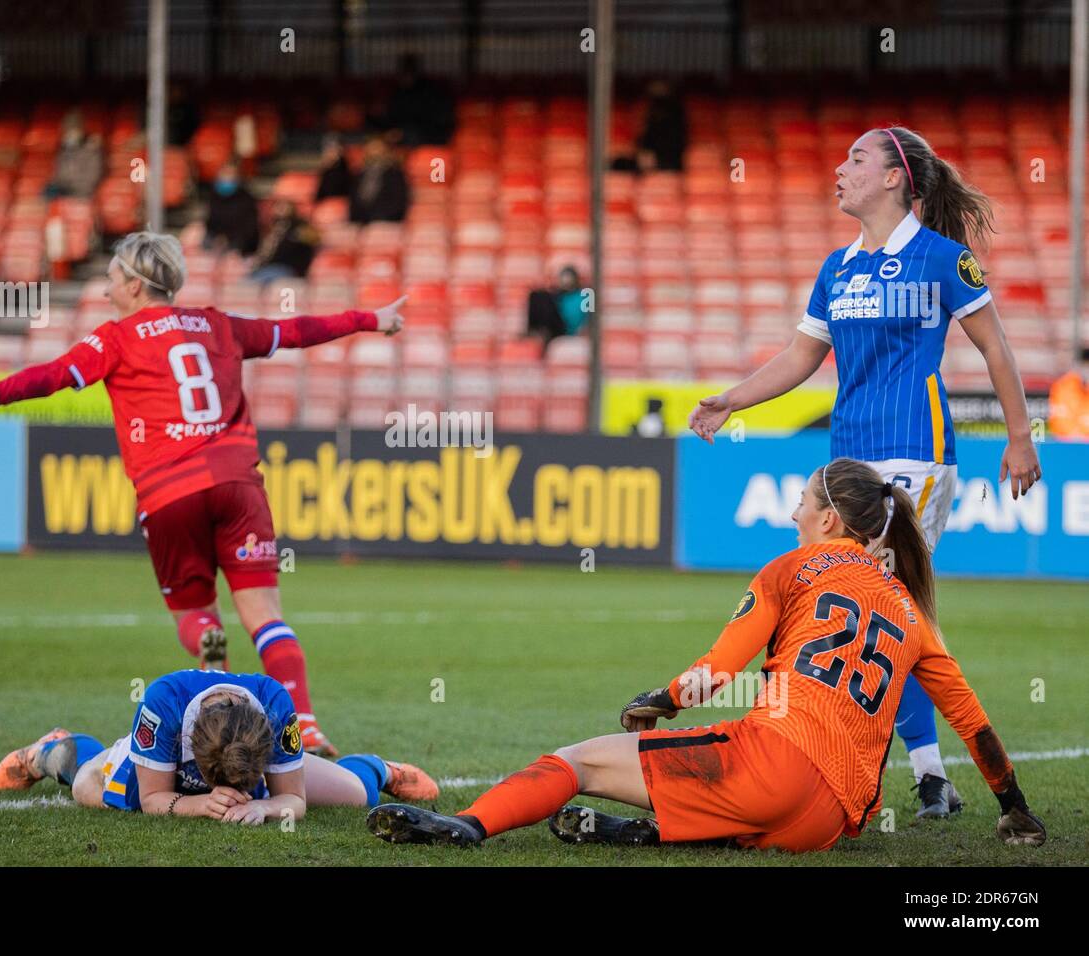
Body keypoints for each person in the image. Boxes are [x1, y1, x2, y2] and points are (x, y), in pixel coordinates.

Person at [368, 458, 1047, 852]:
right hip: (832, 821)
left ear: (830, 521)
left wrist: (657, 701)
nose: (792, 515)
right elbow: (974, 721)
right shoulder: (911, 612)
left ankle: (466, 825)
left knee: (573, 761)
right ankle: (634, 835)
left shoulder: (795, 568)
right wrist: (1012, 804)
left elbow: (718, 673)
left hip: (773, 765)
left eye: (802, 503)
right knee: (737, 801)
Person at [687, 127, 1042, 819]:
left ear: (893, 178)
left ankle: (882, 772)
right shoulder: (837, 268)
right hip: (846, 461)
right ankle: (927, 776)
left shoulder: (944, 260)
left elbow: (996, 347)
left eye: (856, 158)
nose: (840, 168)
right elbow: (799, 357)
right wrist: (733, 398)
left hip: (916, 455)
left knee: (876, 607)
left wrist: (1020, 437)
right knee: (871, 615)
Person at [0, 231, 407, 757]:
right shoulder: (217, 324)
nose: (104, 289)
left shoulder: (115, 339)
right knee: (267, 618)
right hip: (236, 485)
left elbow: (54, 376)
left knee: (195, 612)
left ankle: (219, 682)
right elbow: (297, 329)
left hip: (169, 493)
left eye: (112, 277)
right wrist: (372, 319)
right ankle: (304, 727)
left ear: (137, 285)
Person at [0, 668, 439, 822]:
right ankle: (54, 749)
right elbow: (153, 798)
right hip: (161, 768)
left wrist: (267, 806)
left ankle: (382, 768)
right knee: (87, 787)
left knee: (356, 796)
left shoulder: (276, 705)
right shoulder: (162, 706)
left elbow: (294, 799)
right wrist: (195, 803)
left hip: (246, 759)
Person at [249, 199, 319, 285]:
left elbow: (315, 238)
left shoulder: (301, 225)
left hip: (288, 269)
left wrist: (295, 235)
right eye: (278, 206)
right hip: (268, 268)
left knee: (255, 282)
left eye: (284, 206)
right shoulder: (274, 229)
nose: (280, 210)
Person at [525, 266, 587, 352]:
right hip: (557, 328)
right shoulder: (557, 296)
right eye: (564, 277)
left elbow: (590, 316)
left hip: (572, 330)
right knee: (537, 296)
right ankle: (536, 333)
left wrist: (585, 329)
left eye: (569, 277)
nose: (567, 281)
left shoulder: (585, 295)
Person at [349, 137, 410, 225]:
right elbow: (354, 202)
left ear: (385, 152)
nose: (374, 153)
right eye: (371, 149)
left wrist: (379, 219)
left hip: (386, 222)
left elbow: (398, 203)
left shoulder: (395, 174)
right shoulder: (359, 175)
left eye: (377, 149)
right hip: (361, 222)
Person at [206, 160, 260, 255]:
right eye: (225, 173)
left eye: (230, 173)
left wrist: (228, 239)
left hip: (240, 243)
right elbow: (210, 222)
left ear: (238, 177)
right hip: (216, 239)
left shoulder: (247, 199)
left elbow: (250, 230)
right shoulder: (213, 196)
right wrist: (217, 237)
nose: (227, 177)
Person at [1049, 346, 1089, 440]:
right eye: (1085, 366)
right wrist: (1075, 435)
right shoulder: (1062, 386)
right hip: (1067, 444)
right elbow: (1058, 420)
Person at [314, 135, 353, 202]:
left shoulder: (343, 170)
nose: (328, 152)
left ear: (340, 150)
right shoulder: (327, 169)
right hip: (324, 207)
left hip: (336, 206)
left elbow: (333, 194)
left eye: (332, 148)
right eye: (326, 149)